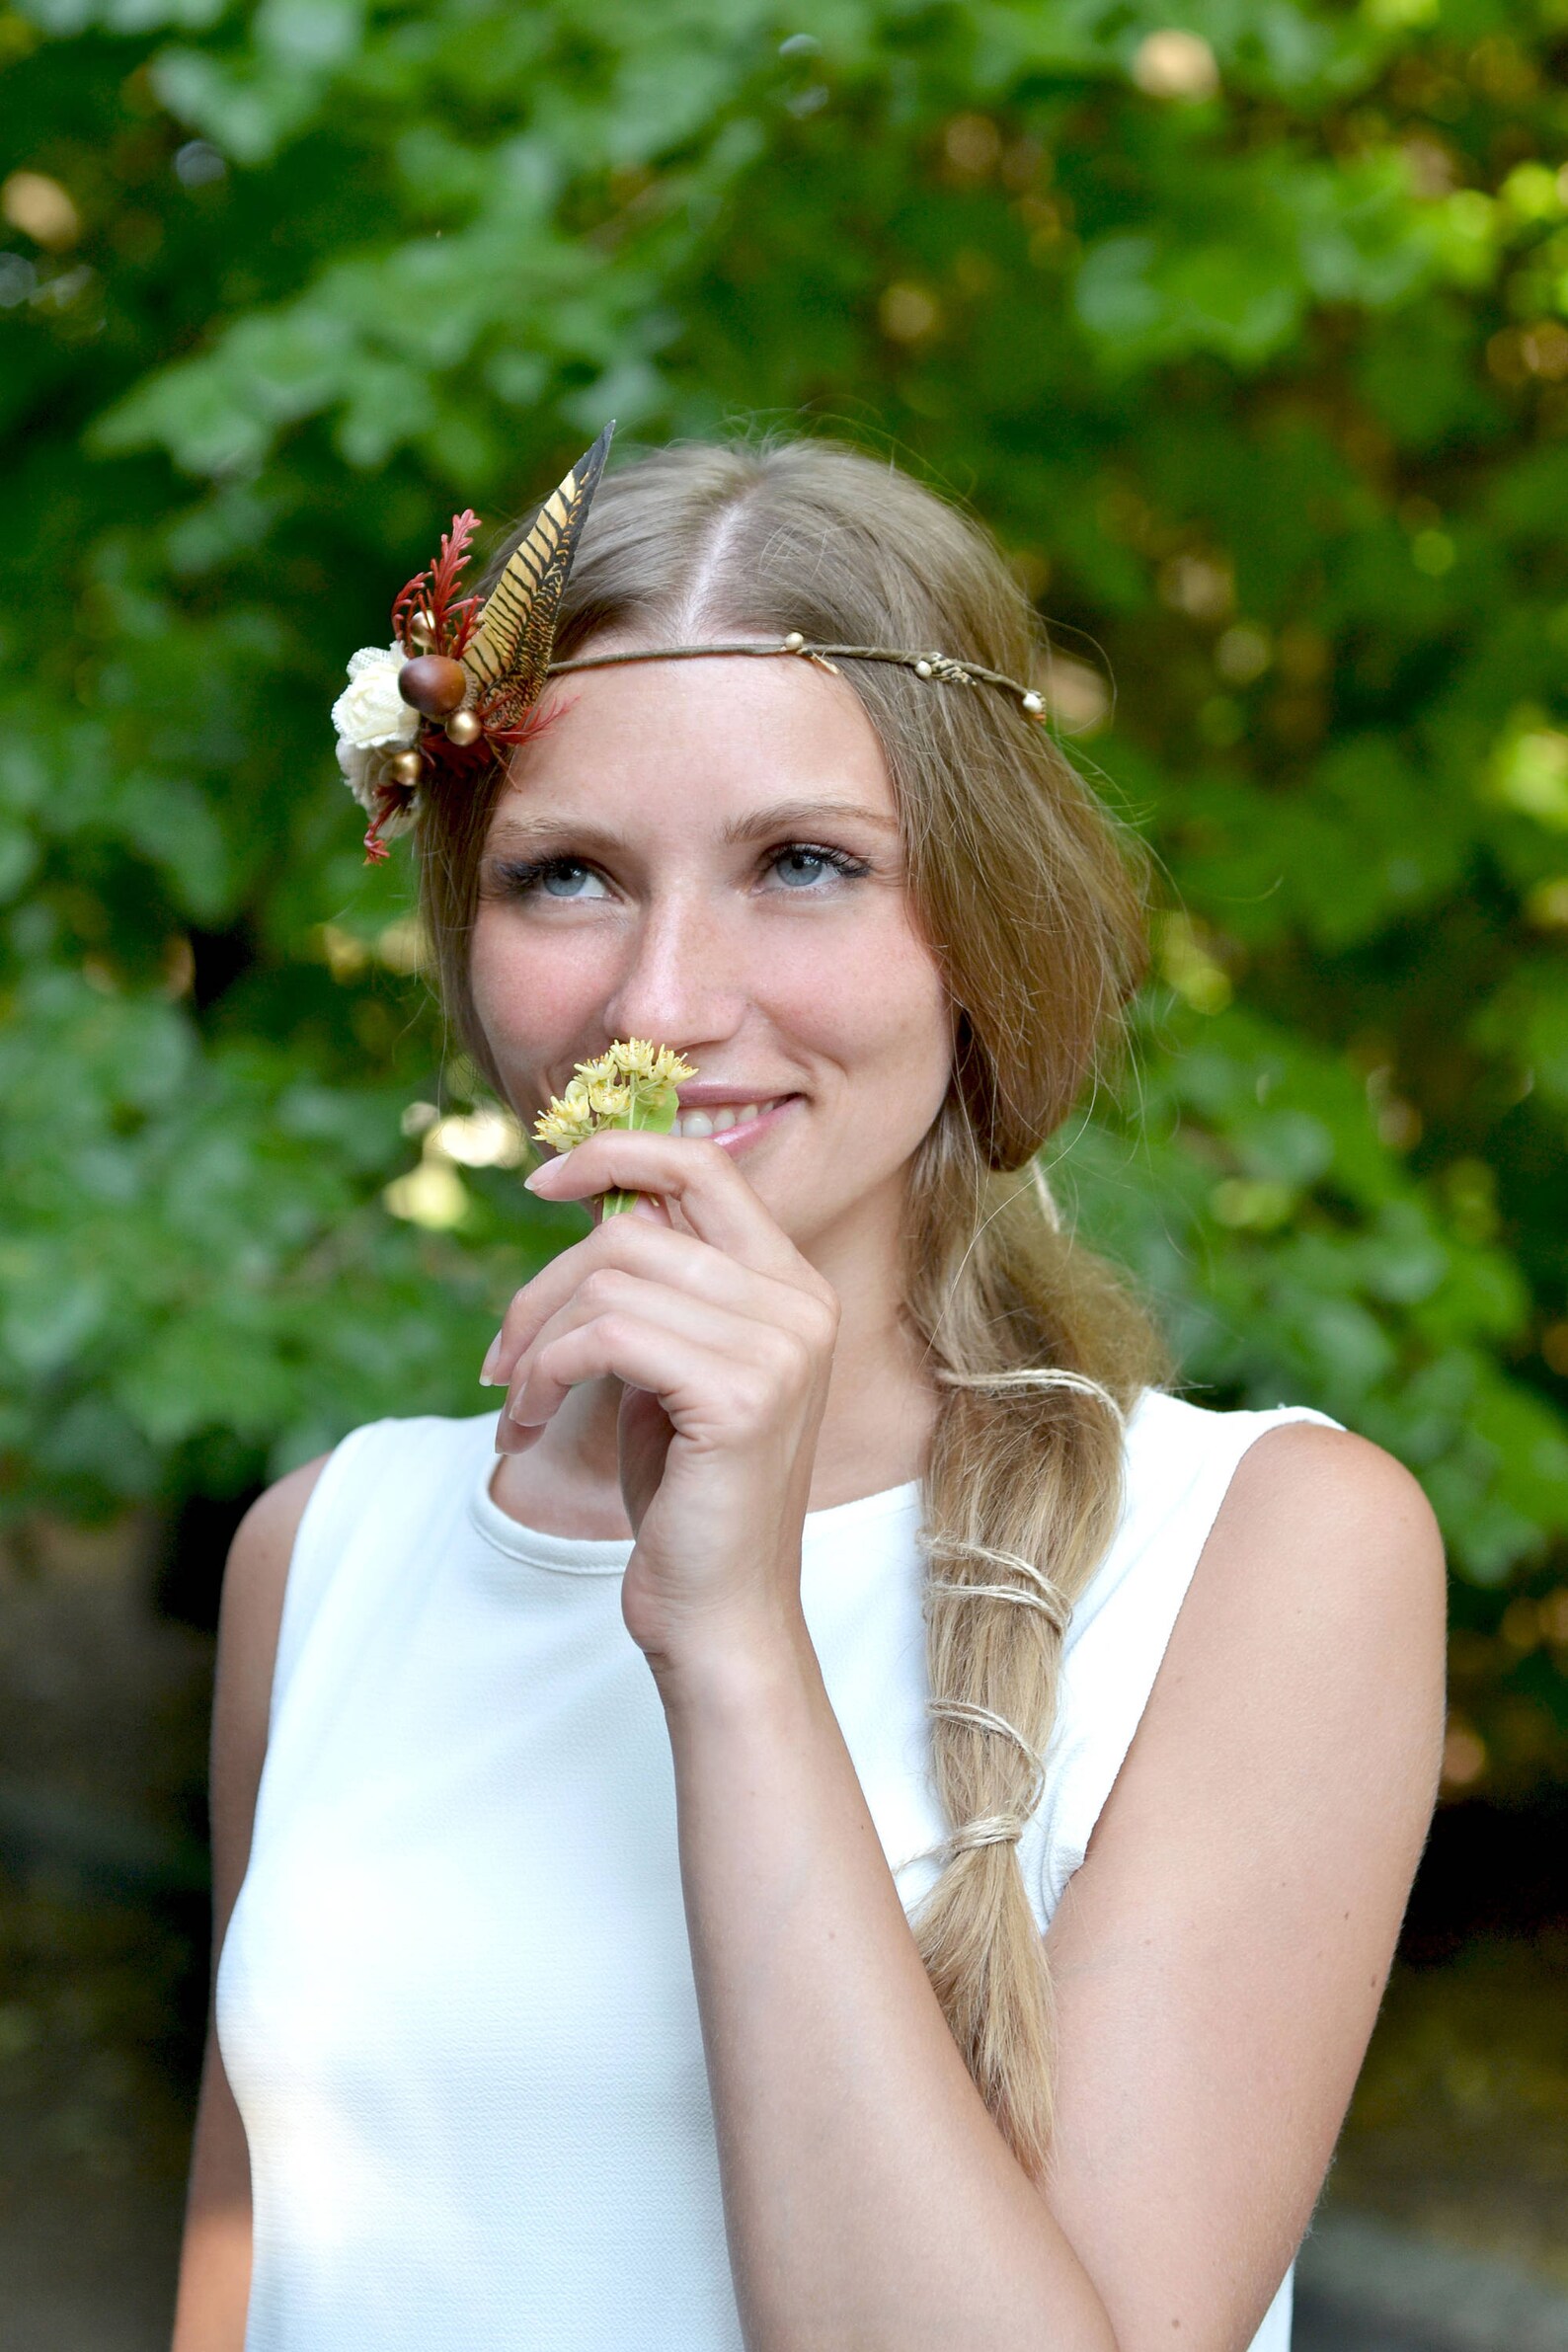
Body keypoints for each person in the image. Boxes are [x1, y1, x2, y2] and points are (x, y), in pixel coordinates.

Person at [170, 431, 1447, 2352]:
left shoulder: (1262, 1561)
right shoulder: (324, 1554)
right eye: (568, 874)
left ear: (980, 928)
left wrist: (736, 1644)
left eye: (802, 863)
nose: (663, 1001)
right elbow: (245, 2278)